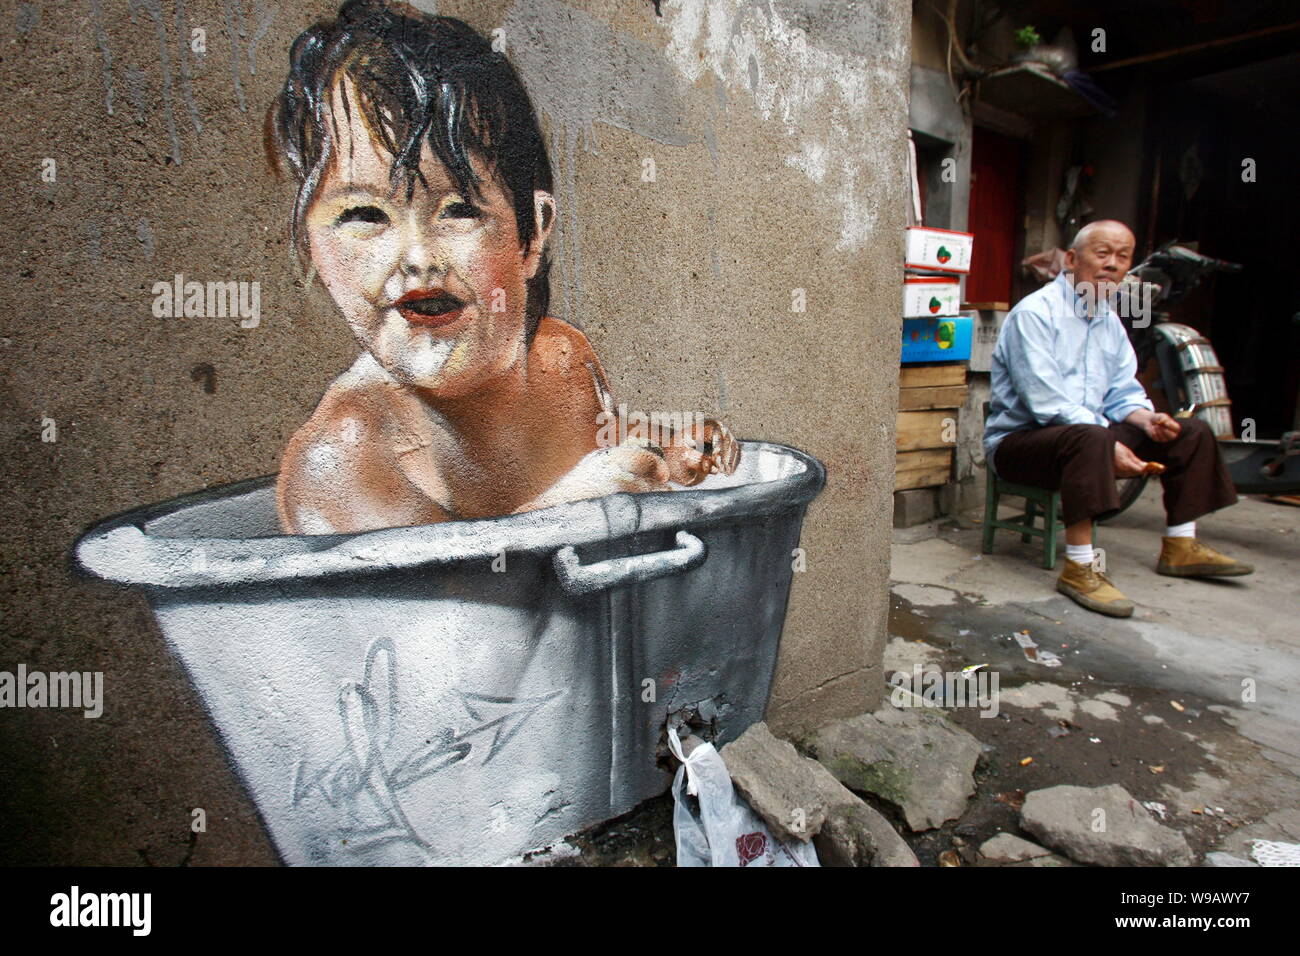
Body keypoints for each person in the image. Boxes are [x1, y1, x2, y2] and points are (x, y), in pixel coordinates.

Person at [266, 1, 737, 534]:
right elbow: (446, 607)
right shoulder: (343, 457)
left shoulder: (564, 360)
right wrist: (585, 501)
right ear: (311, 247)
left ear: (531, 233)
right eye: (364, 215)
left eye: (459, 209)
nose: (418, 257)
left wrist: (663, 443)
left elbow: (603, 445)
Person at [984, 220, 1251, 618]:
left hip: (1083, 437)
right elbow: (1046, 403)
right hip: (1021, 445)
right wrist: (1109, 441)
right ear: (1072, 260)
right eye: (1102, 253)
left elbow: (1121, 392)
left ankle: (1180, 544)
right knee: (1091, 436)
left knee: (1190, 430)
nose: (1112, 264)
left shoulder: (1109, 320)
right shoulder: (1036, 314)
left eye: (1122, 256)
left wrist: (1145, 419)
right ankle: (1079, 568)